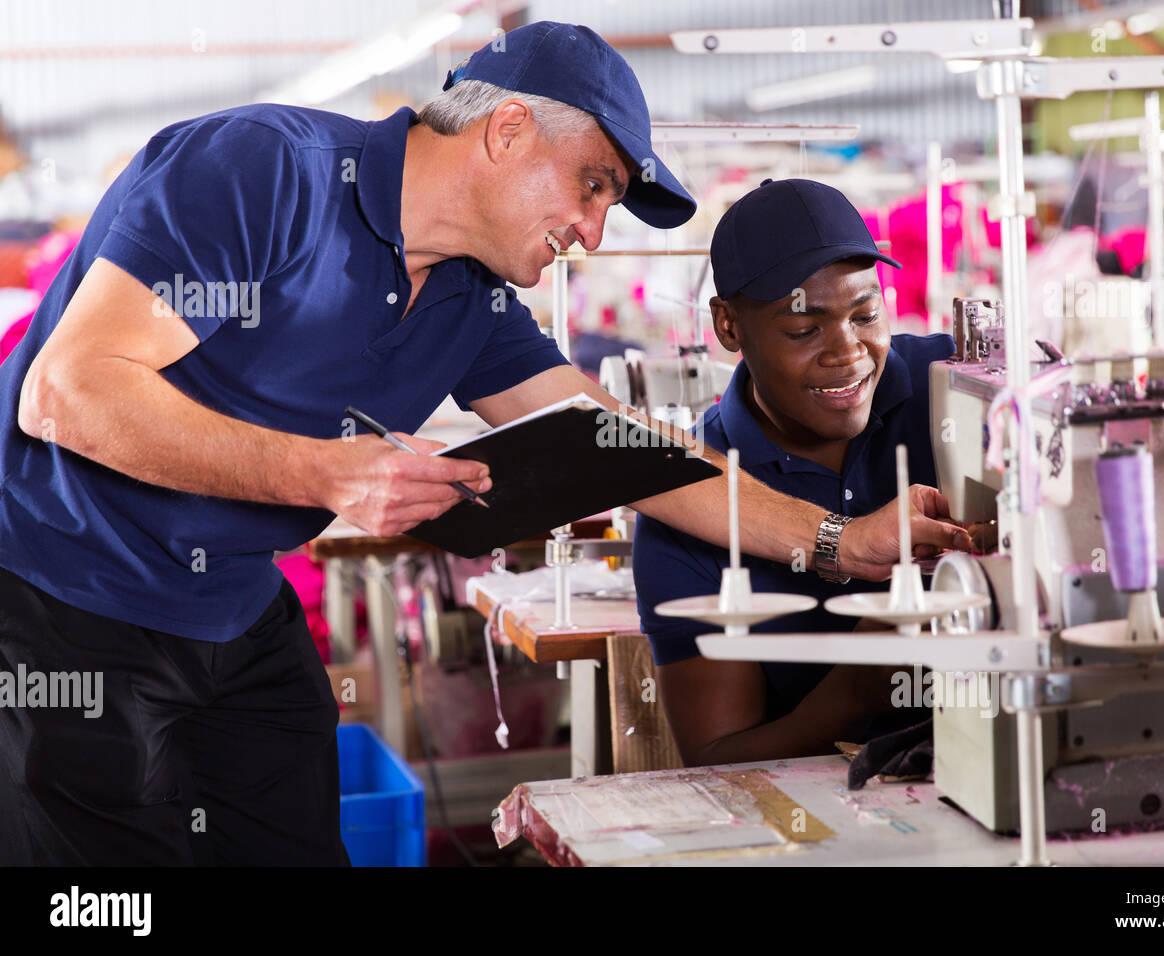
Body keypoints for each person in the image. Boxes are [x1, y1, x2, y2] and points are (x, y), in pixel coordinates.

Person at [0, 24, 964, 864]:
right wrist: (326, 473)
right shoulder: (259, 171)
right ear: (505, 131)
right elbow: (69, 389)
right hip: (58, 594)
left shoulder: (470, 298)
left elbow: (616, 445)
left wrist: (843, 541)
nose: (590, 231)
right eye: (592, 185)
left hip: (230, 604)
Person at [634, 178, 964, 767]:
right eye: (804, 329)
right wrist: (865, 680)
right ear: (729, 326)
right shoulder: (686, 504)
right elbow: (719, 760)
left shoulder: (951, 387)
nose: (847, 352)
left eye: (866, 315)